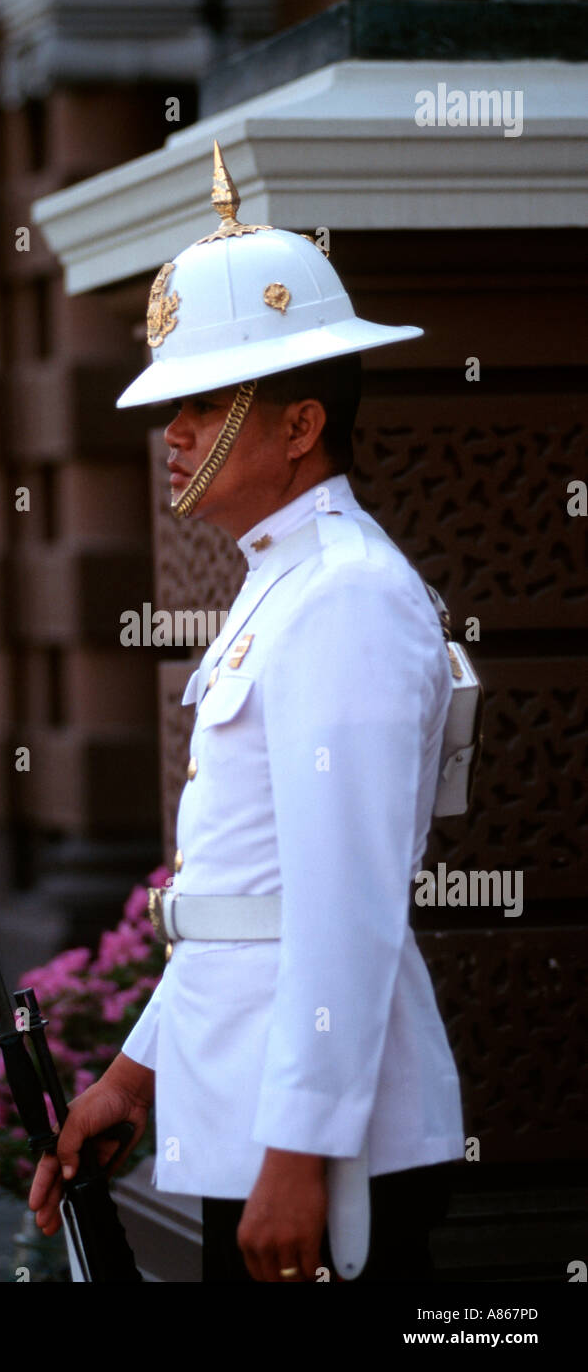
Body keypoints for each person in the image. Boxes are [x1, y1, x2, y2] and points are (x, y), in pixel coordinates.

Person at [30, 143, 465, 1283]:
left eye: (203, 404)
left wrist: (300, 1152)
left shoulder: (345, 595)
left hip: (321, 1141)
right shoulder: (278, 580)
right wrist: (134, 1074)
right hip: (242, 1106)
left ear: (299, 423)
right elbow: (241, 898)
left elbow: (344, 901)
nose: (170, 432)